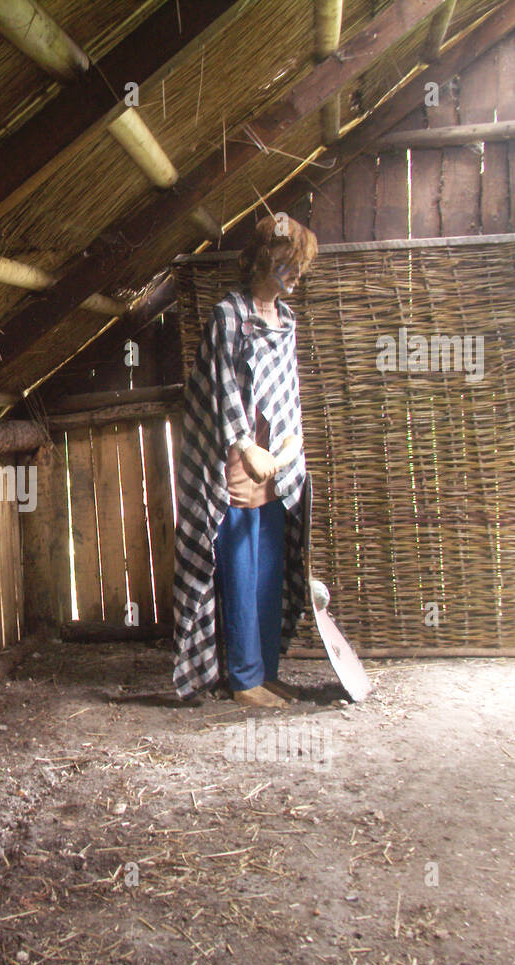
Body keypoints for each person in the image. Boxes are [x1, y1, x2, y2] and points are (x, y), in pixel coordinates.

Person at [172, 214, 318, 707]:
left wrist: (290, 442)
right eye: (291, 265)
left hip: (274, 460)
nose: (297, 275)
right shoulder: (229, 315)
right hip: (236, 459)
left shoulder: (286, 320)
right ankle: (243, 677)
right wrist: (243, 443)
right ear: (266, 259)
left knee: (270, 565)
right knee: (238, 563)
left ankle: (266, 670)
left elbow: (287, 388)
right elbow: (222, 386)